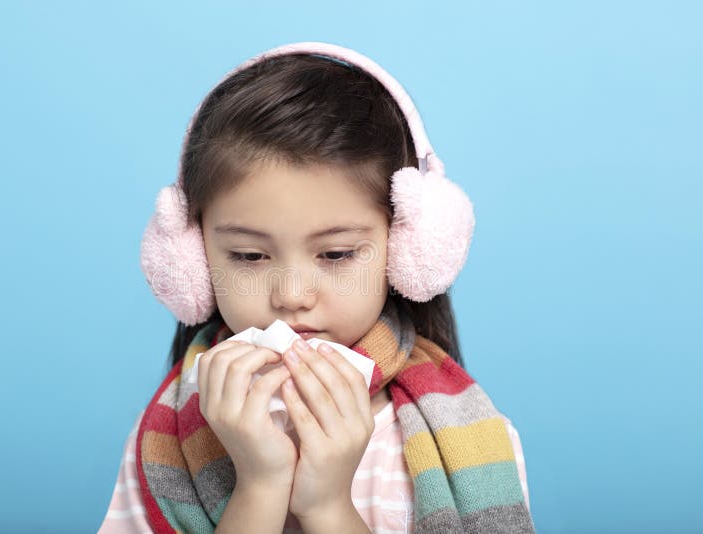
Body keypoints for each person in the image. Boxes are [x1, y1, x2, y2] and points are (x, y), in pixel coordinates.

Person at [99, 42, 535, 534]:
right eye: (247, 256)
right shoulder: (163, 442)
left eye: (335, 254)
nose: (291, 295)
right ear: (193, 259)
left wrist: (328, 506)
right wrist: (259, 487)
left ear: (406, 249)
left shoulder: (472, 440)